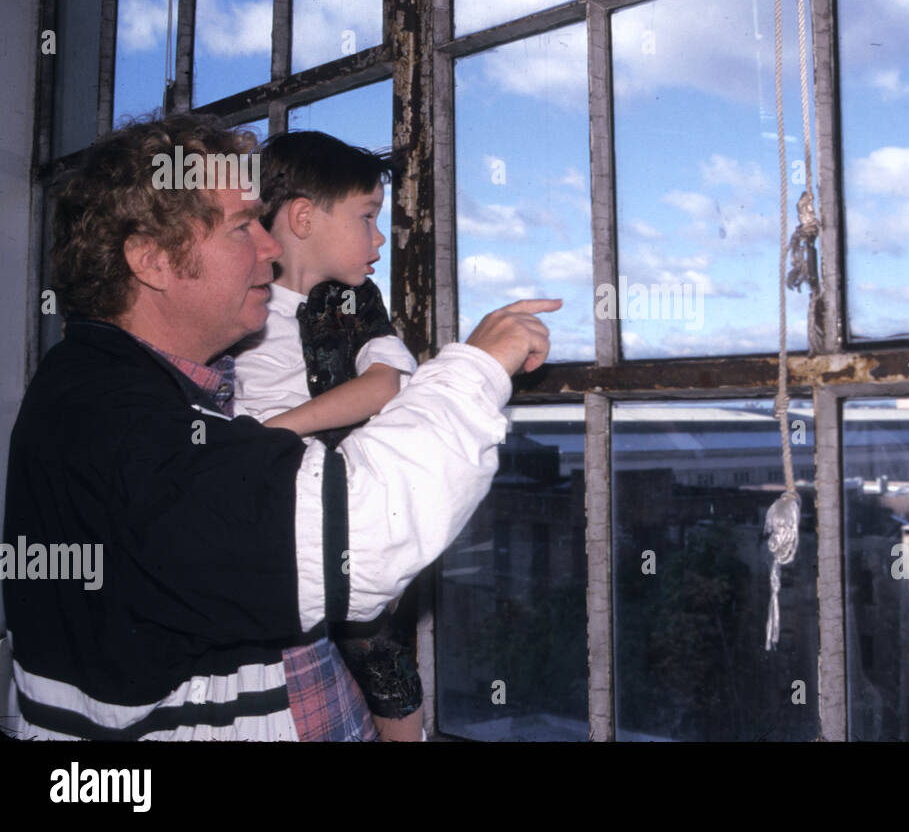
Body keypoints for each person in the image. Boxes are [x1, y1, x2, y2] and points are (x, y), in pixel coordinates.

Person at [1, 114, 560, 740]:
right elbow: (366, 531)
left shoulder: (137, 389)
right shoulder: (114, 421)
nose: (268, 245)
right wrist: (479, 364)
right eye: (242, 225)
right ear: (153, 259)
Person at [230, 130, 423, 741]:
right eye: (366, 217)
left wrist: (269, 433)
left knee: (383, 658)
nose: (378, 239)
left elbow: (386, 385)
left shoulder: (354, 303)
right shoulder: (234, 305)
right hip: (260, 531)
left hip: (347, 514)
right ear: (305, 217)